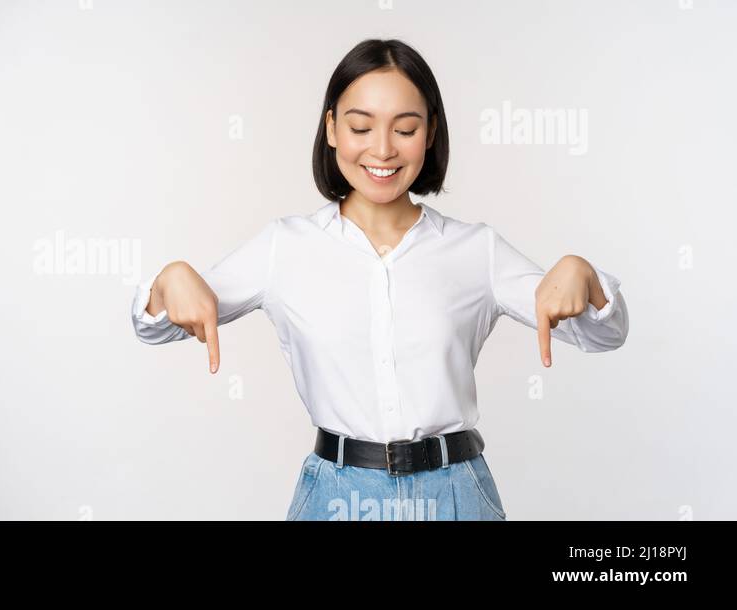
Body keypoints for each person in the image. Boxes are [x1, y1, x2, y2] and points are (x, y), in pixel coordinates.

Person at [129, 39, 629, 521]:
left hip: (456, 493)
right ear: (331, 129)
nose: (383, 149)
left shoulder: (478, 251)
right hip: (337, 494)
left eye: (405, 129)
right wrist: (168, 282)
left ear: (430, 133)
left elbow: (603, 334)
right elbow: (161, 324)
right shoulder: (284, 247)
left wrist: (585, 277)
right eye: (361, 126)